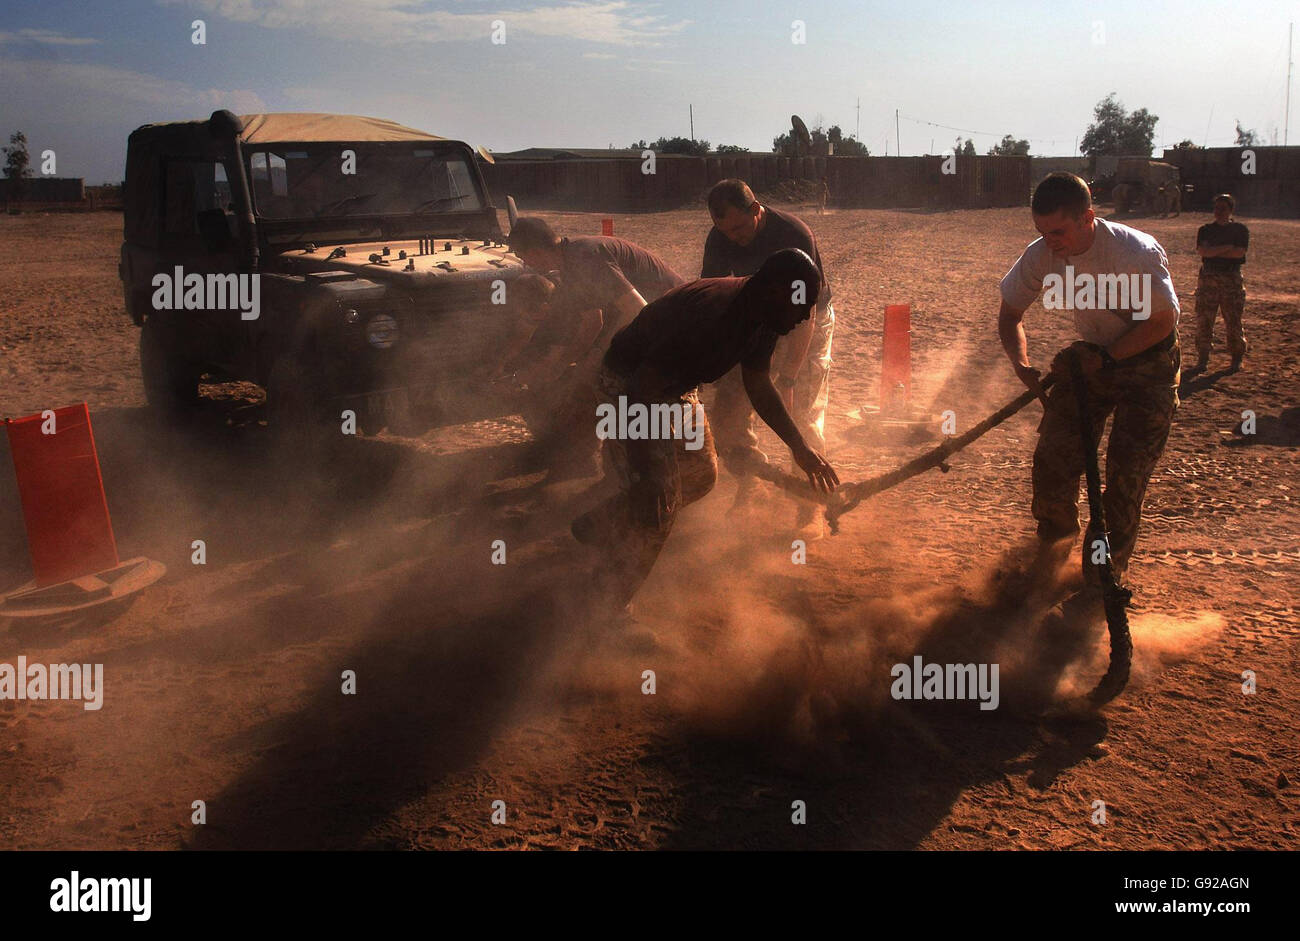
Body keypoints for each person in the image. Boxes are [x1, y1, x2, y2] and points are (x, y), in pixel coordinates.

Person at [572, 249, 839, 608]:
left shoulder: (765, 312)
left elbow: (758, 383)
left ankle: (606, 519)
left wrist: (799, 447)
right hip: (627, 389)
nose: (805, 317)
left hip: (673, 387)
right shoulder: (714, 317)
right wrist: (648, 473)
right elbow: (639, 393)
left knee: (699, 475)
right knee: (658, 505)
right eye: (801, 305)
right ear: (777, 291)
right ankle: (603, 606)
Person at [998, 172, 1180, 586]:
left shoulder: (1133, 252)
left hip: (1148, 362)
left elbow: (1162, 322)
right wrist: (1020, 362)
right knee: (1054, 458)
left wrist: (1106, 358)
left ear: (1088, 218)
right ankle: (1053, 549)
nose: (1050, 241)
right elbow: (1010, 314)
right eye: (1041, 232)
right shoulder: (1042, 253)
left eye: (1058, 231)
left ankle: (1102, 580)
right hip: (1091, 360)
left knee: (1124, 478)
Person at [699, 179, 836, 538]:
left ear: (756, 210)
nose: (734, 238)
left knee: (801, 411)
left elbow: (803, 316)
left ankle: (809, 506)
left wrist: (788, 377)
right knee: (731, 407)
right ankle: (750, 482)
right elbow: (714, 298)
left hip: (807, 318)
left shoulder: (794, 236)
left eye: (740, 228)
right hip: (758, 315)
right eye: (725, 231)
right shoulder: (720, 238)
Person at [507, 218, 685, 475]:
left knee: (622, 388)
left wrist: (599, 356)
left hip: (673, 319)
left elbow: (638, 310)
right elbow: (592, 323)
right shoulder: (569, 266)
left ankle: (650, 469)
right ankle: (587, 463)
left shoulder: (586, 257)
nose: (525, 264)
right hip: (650, 323)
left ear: (534, 252)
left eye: (522, 256)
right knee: (588, 380)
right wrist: (562, 368)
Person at [1192, 194, 1249, 372]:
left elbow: (1238, 254)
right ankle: (1203, 357)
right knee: (1204, 319)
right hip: (1208, 279)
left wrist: (1213, 251)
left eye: (1222, 208)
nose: (1218, 212)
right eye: (1216, 208)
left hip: (1231, 280)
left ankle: (1236, 356)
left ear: (1230, 210)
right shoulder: (1206, 230)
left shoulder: (1240, 230)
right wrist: (1226, 248)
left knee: (1233, 319)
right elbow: (1203, 251)